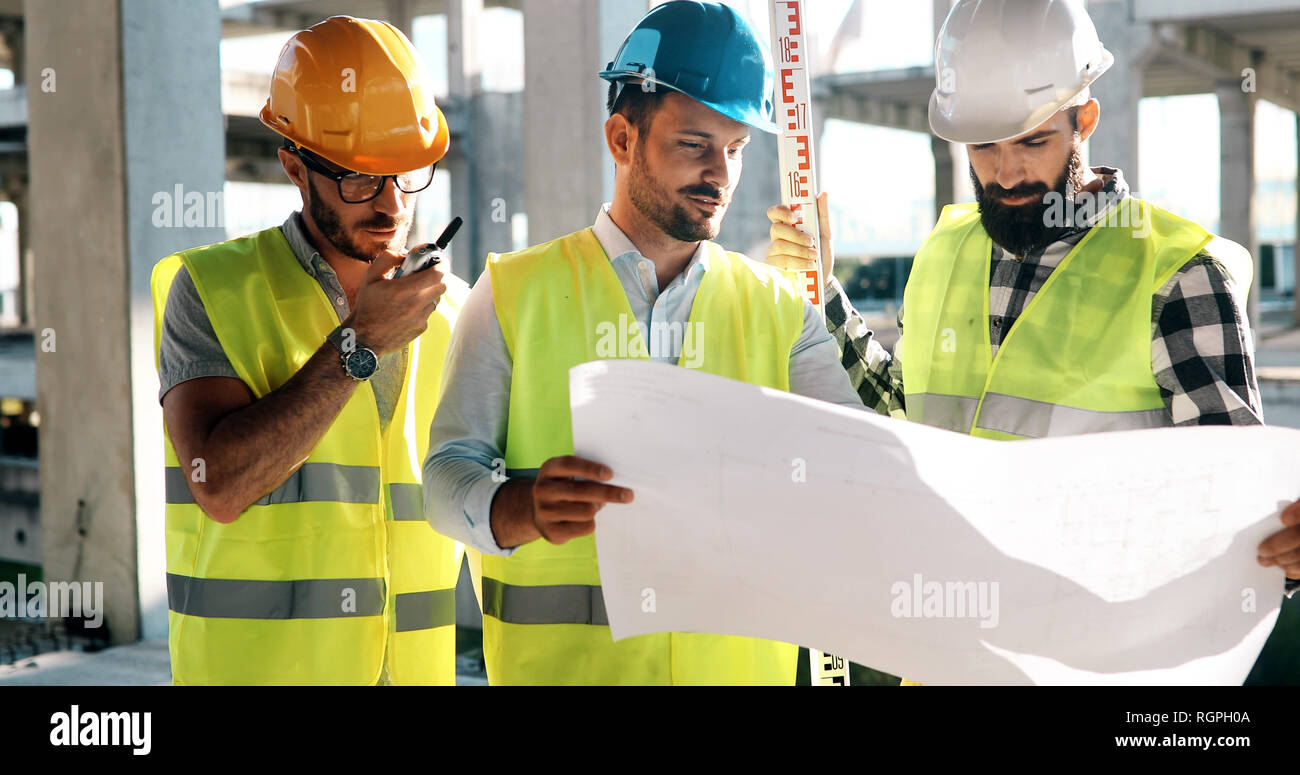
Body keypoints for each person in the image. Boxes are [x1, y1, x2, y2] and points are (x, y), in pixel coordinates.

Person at [767, 0, 1300, 627]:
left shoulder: (1177, 276)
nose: (1007, 171)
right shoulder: (943, 252)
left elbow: (1237, 520)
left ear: (1086, 120)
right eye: (984, 145)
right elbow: (903, 418)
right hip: (945, 654)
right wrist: (823, 292)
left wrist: (1287, 555)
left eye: (1033, 140)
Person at [424, 0, 864, 685]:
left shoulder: (784, 312)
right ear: (622, 139)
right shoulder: (512, 293)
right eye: (695, 144)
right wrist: (522, 507)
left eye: (736, 150)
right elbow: (446, 479)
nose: (719, 173)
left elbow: (857, 478)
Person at [150, 15, 468, 685]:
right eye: (358, 179)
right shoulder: (211, 291)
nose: (388, 205)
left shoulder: (457, 311)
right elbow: (221, 484)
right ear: (295, 165)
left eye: (405, 174)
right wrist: (360, 343)